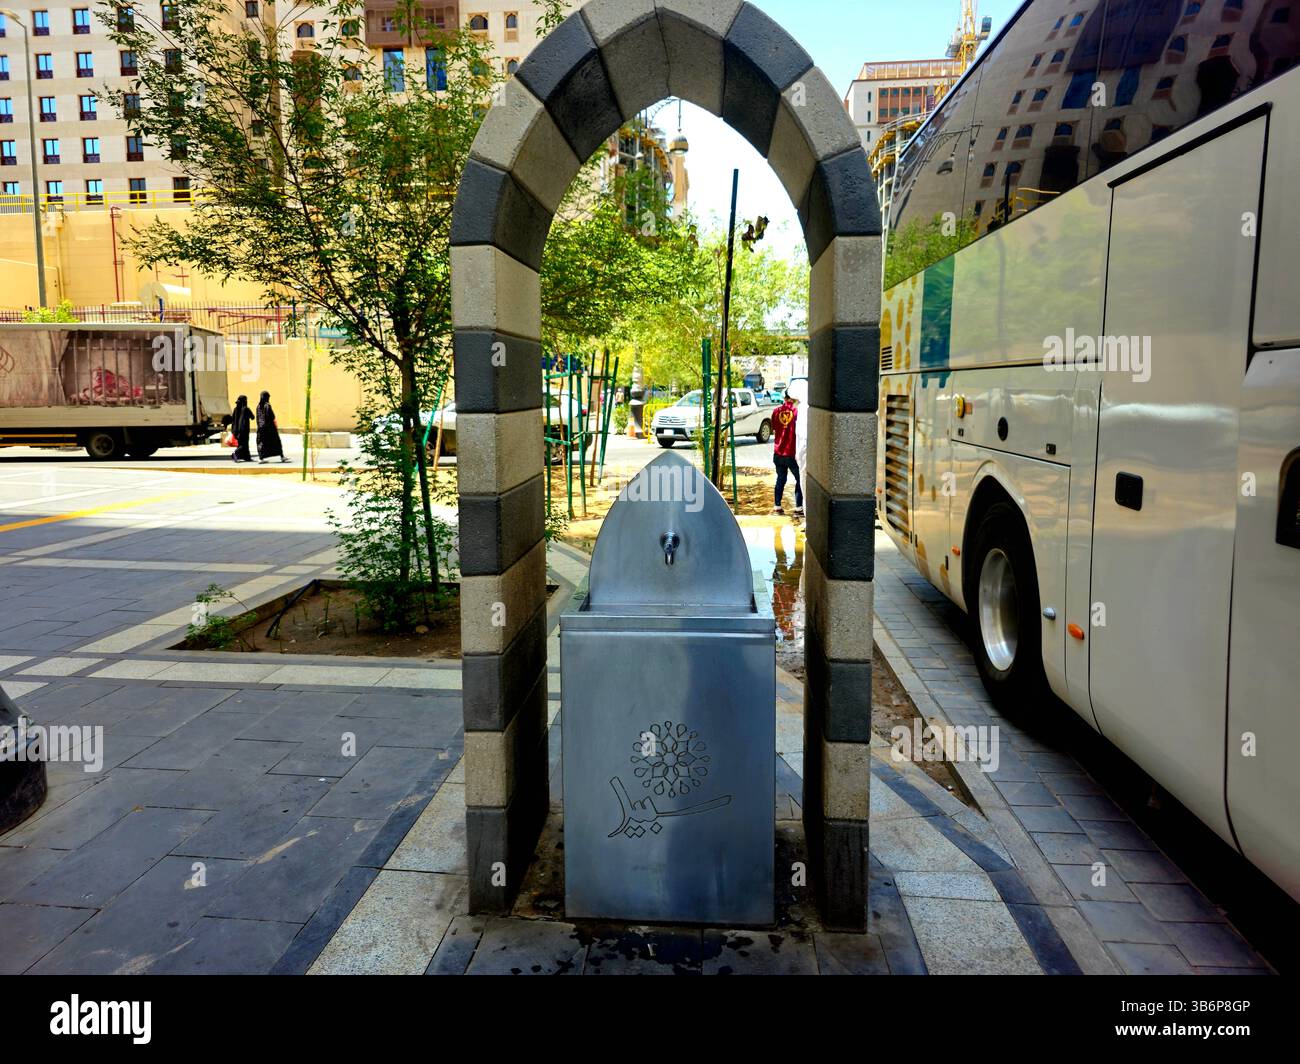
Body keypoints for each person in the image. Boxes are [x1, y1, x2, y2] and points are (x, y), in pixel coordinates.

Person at [771, 389, 802, 516]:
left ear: (784, 398)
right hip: (792, 453)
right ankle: (799, 508)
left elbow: (774, 429)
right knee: (799, 479)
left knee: (781, 478)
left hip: (778, 452)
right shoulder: (796, 412)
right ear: (794, 398)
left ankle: (777, 506)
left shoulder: (776, 411)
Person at [256, 391, 287, 463]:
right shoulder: (267, 405)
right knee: (276, 442)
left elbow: (258, 418)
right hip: (270, 428)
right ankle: (282, 457)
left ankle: (261, 458)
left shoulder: (258, 406)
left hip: (261, 428)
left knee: (262, 443)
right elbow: (272, 416)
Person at [230, 395, 252, 463]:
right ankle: (235, 453)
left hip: (235, 430)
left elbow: (233, 419)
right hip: (243, 430)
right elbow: (252, 417)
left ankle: (246, 457)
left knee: (241, 443)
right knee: (244, 444)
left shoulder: (235, 409)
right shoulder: (246, 409)